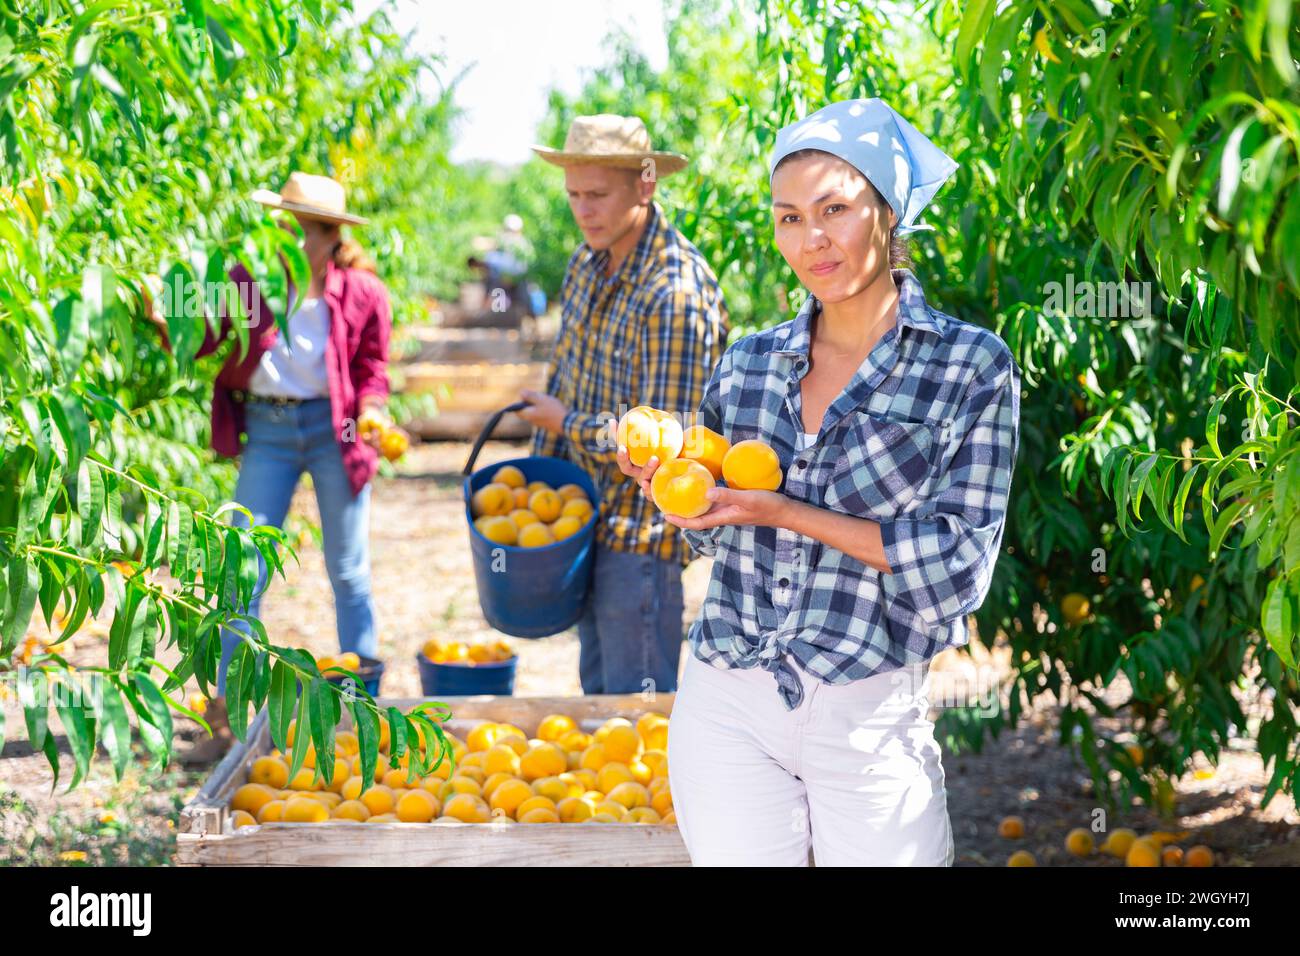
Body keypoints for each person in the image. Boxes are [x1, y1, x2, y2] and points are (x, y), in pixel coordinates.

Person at [618, 98, 1021, 864]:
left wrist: (785, 510)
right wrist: (680, 493)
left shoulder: (968, 366)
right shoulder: (750, 362)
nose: (812, 240)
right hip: (726, 693)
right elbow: (717, 532)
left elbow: (957, 565)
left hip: (866, 708)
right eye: (789, 217)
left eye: (834, 208)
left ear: (888, 212)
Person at [150, 172, 395, 763]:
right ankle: (228, 720)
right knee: (241, 568)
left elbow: (372, 369)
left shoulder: (362, 292)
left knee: (348, 570)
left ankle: (361, 711)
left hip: (333, 430)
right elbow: (204, 340)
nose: (286, 237)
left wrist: (373, 412)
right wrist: (164, 315)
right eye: (280, 224)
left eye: (300, 229)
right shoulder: (249, 283)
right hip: (270, 428)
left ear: (330, 236)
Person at [519, 114, 729, 696]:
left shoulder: (674, 296)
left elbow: (669, 445)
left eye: (598, 195)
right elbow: (568, 368)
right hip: (583, 517)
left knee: (634, 717)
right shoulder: (588, 264)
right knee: (598, 709)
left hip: (639, 538)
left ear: (645, 185)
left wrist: (566, 425)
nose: (584, 210)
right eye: (574, 196)